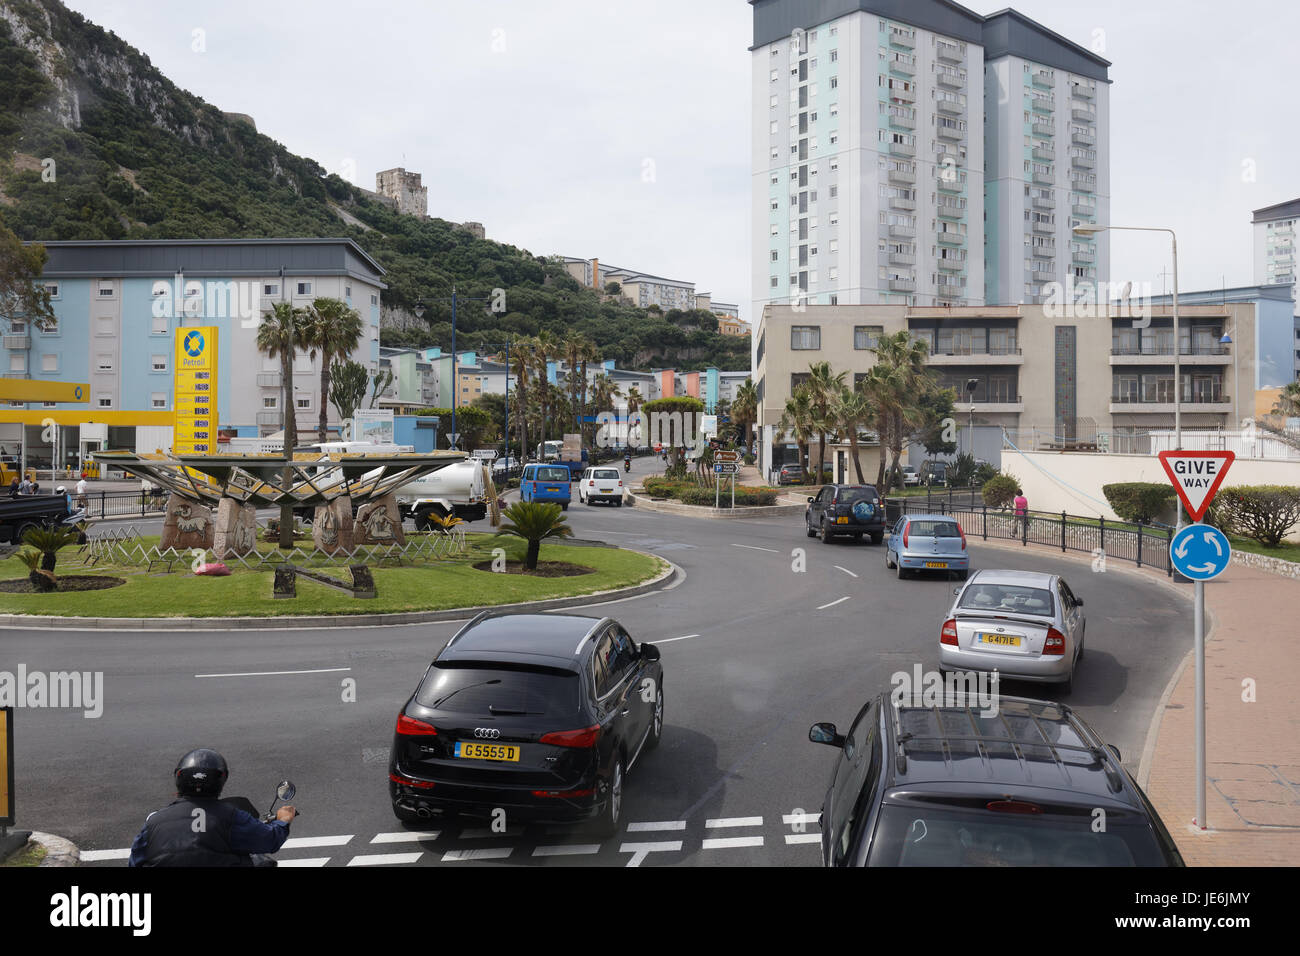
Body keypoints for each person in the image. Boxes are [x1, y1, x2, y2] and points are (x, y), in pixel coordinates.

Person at [128, 749, 297, 867]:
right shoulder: (231, 817)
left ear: (179, 778)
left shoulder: (154, 821)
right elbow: (270, 841)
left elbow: (135, 862)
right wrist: (282, 820)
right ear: (221, 780)